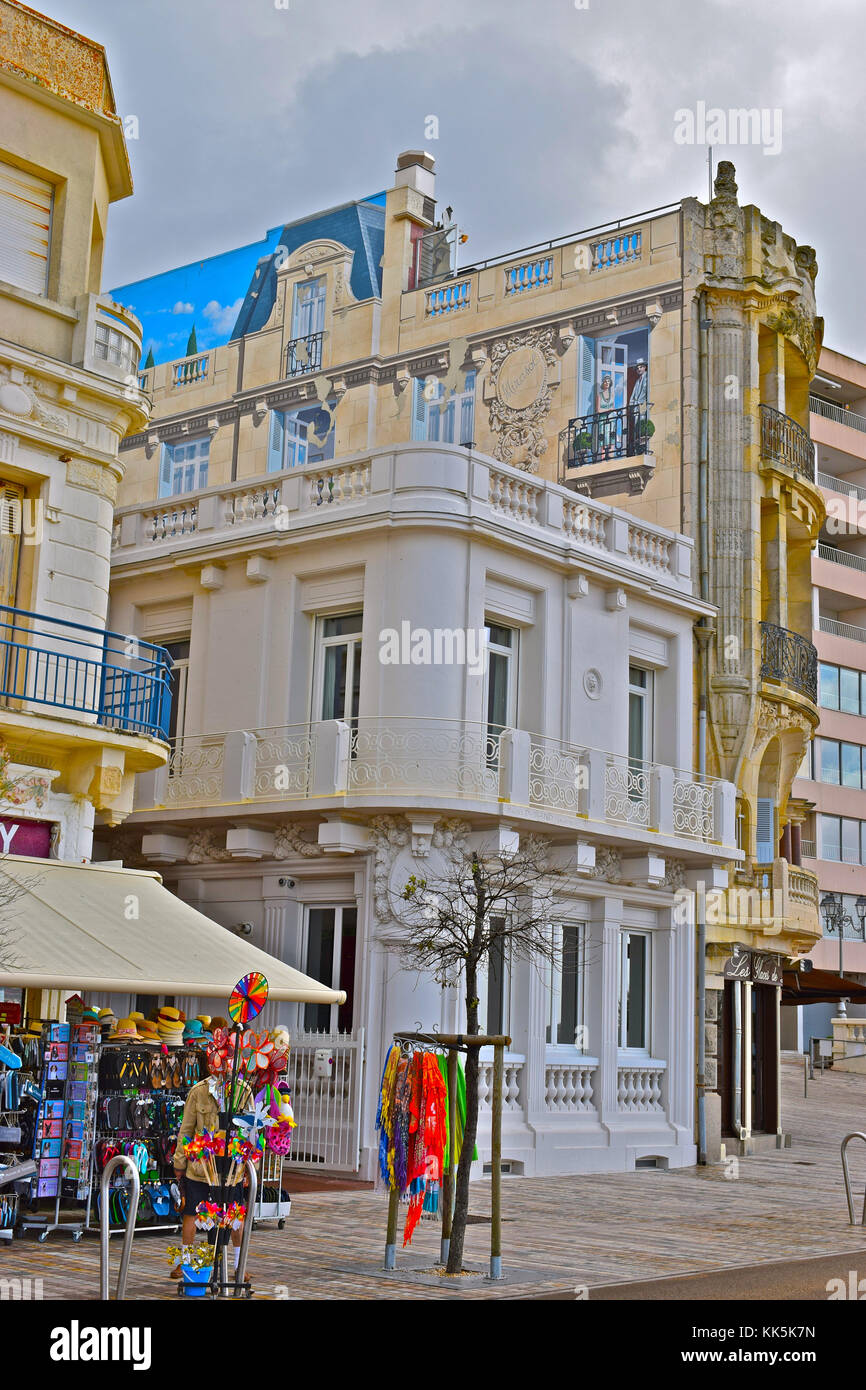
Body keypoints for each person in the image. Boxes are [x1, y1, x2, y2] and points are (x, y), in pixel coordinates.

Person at [171, 1032, 254, 1280]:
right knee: (191, 1215)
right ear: (210, 1063)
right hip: (200, 1167)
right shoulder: (198, 1092)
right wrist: (179, 1162)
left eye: (227, 1060)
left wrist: (250, 1166)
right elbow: (186, 1129)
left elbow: (251, 1131)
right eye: (218, 1060)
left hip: (231, 1169)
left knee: (234, 1216)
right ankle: (184, 1263)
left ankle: (238, 1266)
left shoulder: (243, 1091)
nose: (223, 1066)